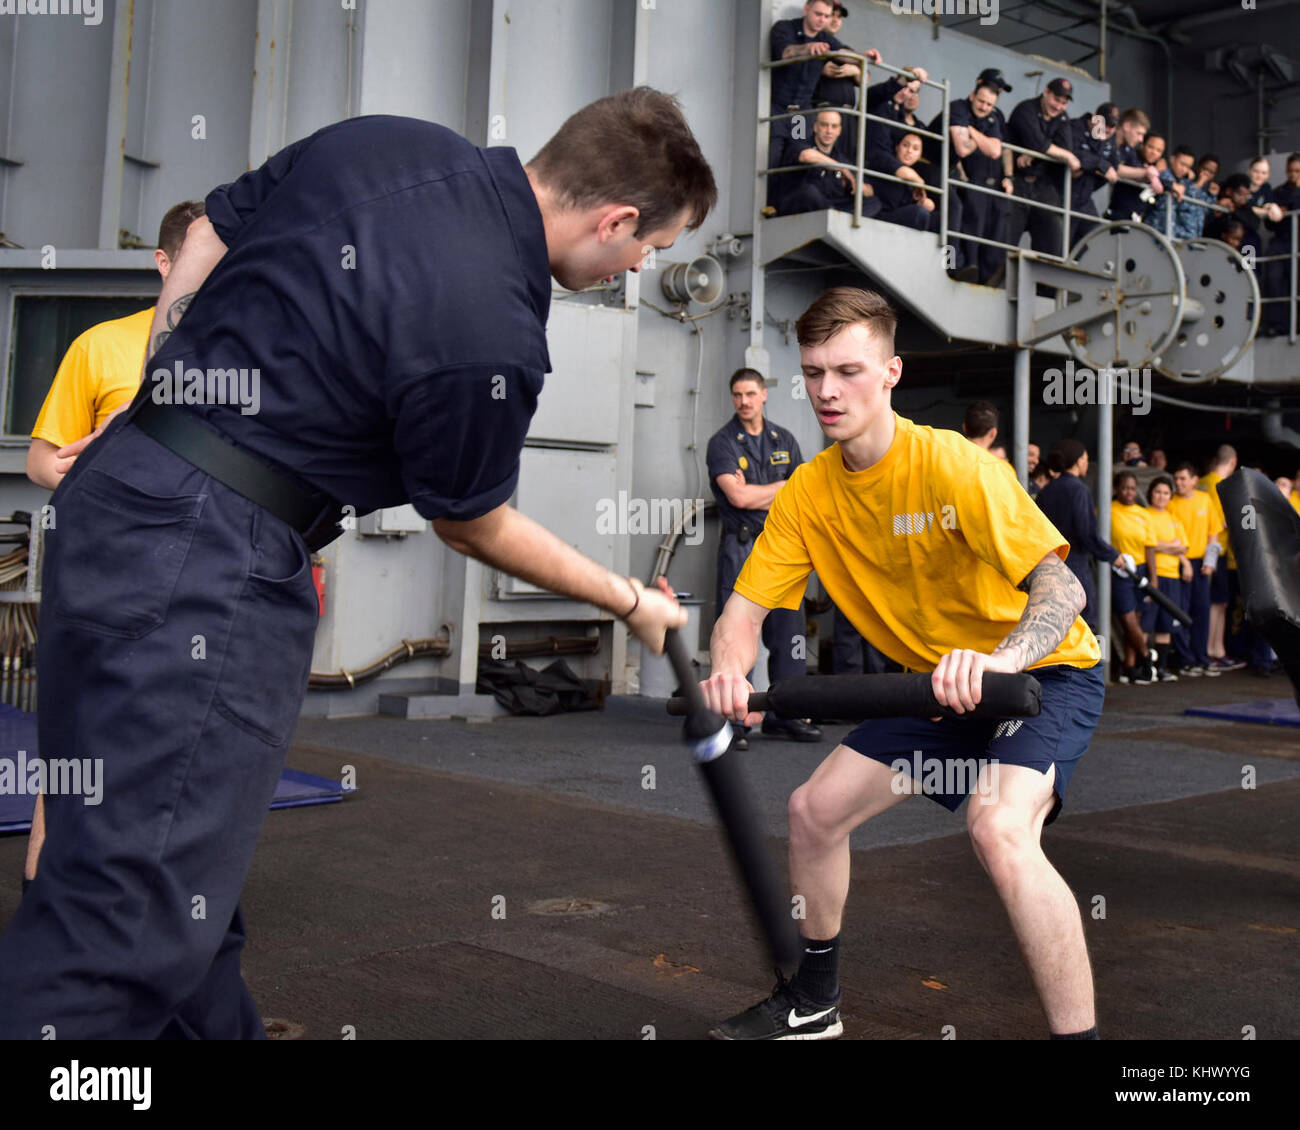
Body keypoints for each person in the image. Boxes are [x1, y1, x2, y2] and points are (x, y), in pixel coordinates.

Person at [0, 88, 714, 1040]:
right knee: (124, 917)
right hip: (210, 564)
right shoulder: (493, 327)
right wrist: (630, 599)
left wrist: (164, 375)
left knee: (162, 860)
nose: (639, 266)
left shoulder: (386, 142)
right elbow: (473, 523)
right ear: (615, 219)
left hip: (119, 496)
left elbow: (214, 221)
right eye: (649, 249)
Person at [702, 287, 1104, 1041]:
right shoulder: (808, 496)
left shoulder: (953, 465)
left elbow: (1064, 587)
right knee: (812, 813)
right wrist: (729, 670)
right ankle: (813, 1001)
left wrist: (1000, 662)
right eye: (814, 371)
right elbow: (743, 614)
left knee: (998, 828)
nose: (826, 390)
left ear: (891, 372)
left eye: (847, 371)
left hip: (1040, 678)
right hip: (934, 687)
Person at [20, 200, 206, 896]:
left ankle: (156, 907)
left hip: (197, 580)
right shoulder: (101, 346)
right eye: (198, 259)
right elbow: (42, 460)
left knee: (178, 743)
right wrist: (101, 471)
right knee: (76, 733)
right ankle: (46, 894)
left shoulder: (246, 359)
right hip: (103, 571)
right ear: (165, 263)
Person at [707, 370, 821, 747]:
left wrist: (760, 491)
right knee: (740, 631)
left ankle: (784, 715)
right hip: (741, 546)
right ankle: (735, 722)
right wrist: (782, 488)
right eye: (737, 394)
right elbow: (738, 499)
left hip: (784, 548)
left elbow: (802, 495)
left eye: (750, 393)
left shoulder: (783, 439)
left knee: (789, 635)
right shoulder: (722, 443)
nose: (744, 401)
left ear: (764, 395)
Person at [931, 74, 1010, 284]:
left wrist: (972, 131)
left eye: (989, 104)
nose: (984, 107)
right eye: (981, 101)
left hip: (948, 170)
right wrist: (981, 138)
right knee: (954, 208)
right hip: (928, 164)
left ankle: (974, 267)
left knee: (978, 208)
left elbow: (995, 151)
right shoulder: (958, 108)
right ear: (972, 95)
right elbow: (963, 149)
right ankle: (951, 265)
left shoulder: (991, 117)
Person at [1034, 439, 1117, 634]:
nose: (1087, 463)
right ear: (1079, 461)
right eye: (1086, 459)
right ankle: (1086, 665)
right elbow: (1086, 533)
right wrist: (1113, 556)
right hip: (1077, 565)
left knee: (1056, 626)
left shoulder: (1046, 491)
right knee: (1085, 625)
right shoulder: (1079, 489)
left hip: (1050, 564)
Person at [1003, 78, 1080, 257]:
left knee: (1053, 240)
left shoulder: (1062, 118)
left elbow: (1066, 145)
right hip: (1015, 182)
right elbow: (1050, 147)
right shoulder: (1025, 109)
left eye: (1064, 103)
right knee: (1006, 240)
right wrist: (1061, 154)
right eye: (1056, 99)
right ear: (1046, 92)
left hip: (1041, 185)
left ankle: (1047, 284)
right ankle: (993, 282)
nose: (1059, 106)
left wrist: (1035, 153)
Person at [779, 109, 881, 218]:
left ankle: (837, 220)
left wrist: (862, 188)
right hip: (800, 204)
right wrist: (842, 169)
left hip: (832, 206)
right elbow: (806, 156)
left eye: (834, 126)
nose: (829, 131)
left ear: (839, 131)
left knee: (873, 203)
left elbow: (870, 190)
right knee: (809, 192)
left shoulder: (841, 158)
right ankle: (835, 218)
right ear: (815, 127)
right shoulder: (802, 143)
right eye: (824, 125)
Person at [1167, 463, 1218, 677]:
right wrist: (1183, 560)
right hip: (1179, 562)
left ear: (1194, 480)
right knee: (1180, 611)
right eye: (1176, 479)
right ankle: (1185, 659)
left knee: (1202, 611)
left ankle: (1201, 658)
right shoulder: (1170, 503)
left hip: (1201, 564)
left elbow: (1213, 533)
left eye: (1183, 479)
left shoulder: (1205, 500)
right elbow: (1171, 537)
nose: (1178, 483)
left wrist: (1210, 561)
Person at [1199, 445, 1244, 672]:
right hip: (1217, 551)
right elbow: (1223, 522)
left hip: (1205, 551)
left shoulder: (1203, 481)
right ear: (1233, 462)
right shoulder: (1220, 485)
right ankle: (1214, 650)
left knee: (1219, 603)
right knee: (1218, 604)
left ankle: (1216, 650)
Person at [1143, 475, 1191, 683]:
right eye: (1158, 492)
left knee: (1166, 625)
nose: (1161, 496)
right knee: (1146, 623)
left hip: (1172, 576)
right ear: (1150, 494)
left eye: (1165, 493)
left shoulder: (1173, 518)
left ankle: (1161, 668)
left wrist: (1165, 546)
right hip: (1153, 574)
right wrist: (1171, 546)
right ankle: (1145, 667)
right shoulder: (1145, 515)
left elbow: (1183, 546)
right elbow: (1149, 546)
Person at [1110, 472, 1155, 684]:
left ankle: (1129, 667)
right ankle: (1146, 657)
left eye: (1132, 488)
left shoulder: (1143, 513)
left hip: (1141, 569)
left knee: (1135, 621)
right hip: (1119, 571)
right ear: (1116, 489)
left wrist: (1153, 578)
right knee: (1127, 619)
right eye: (1125, 488)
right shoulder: (1106, 511)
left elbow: (1150, 548)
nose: (1129, 492)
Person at [1068, 102, 1120, 248]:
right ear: (1095, 119)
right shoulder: (1075, 127)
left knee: (1095, 241)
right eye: (1106, 124)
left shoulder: (1108, 139)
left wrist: (1090, 168)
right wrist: (1099, 165)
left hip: (1084, 198)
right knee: (1059, 246)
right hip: (1062, 194)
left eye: (1113, 126)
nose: (1109, 129)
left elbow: (1113, 167)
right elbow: (1073, 153)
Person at [1261, 152, 1300, 335]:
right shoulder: (1277, 193)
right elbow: (1268, 223)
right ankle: (1277, 324)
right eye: (1291, 171)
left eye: (1298, 171)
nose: (1294, 175)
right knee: (1273, 279)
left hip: (1298, 242)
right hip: (1281, 241)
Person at [1145, 146, 1214, 240]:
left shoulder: (1183, 181)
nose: (1184, 169)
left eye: (1188, 167)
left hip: (1169, 233)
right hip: (1155, 229)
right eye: (1182, 164)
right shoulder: (1164, 173)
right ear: (1172, 159)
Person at [1106, 110, 1163, 222]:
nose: (1141, 139)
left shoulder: (1127, 149)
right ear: (1127, 126)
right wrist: (1147, 173)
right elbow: (1115, 167)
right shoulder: (1106, 136)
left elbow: (1136, 169)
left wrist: (1152, 174)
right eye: (1139, 133)